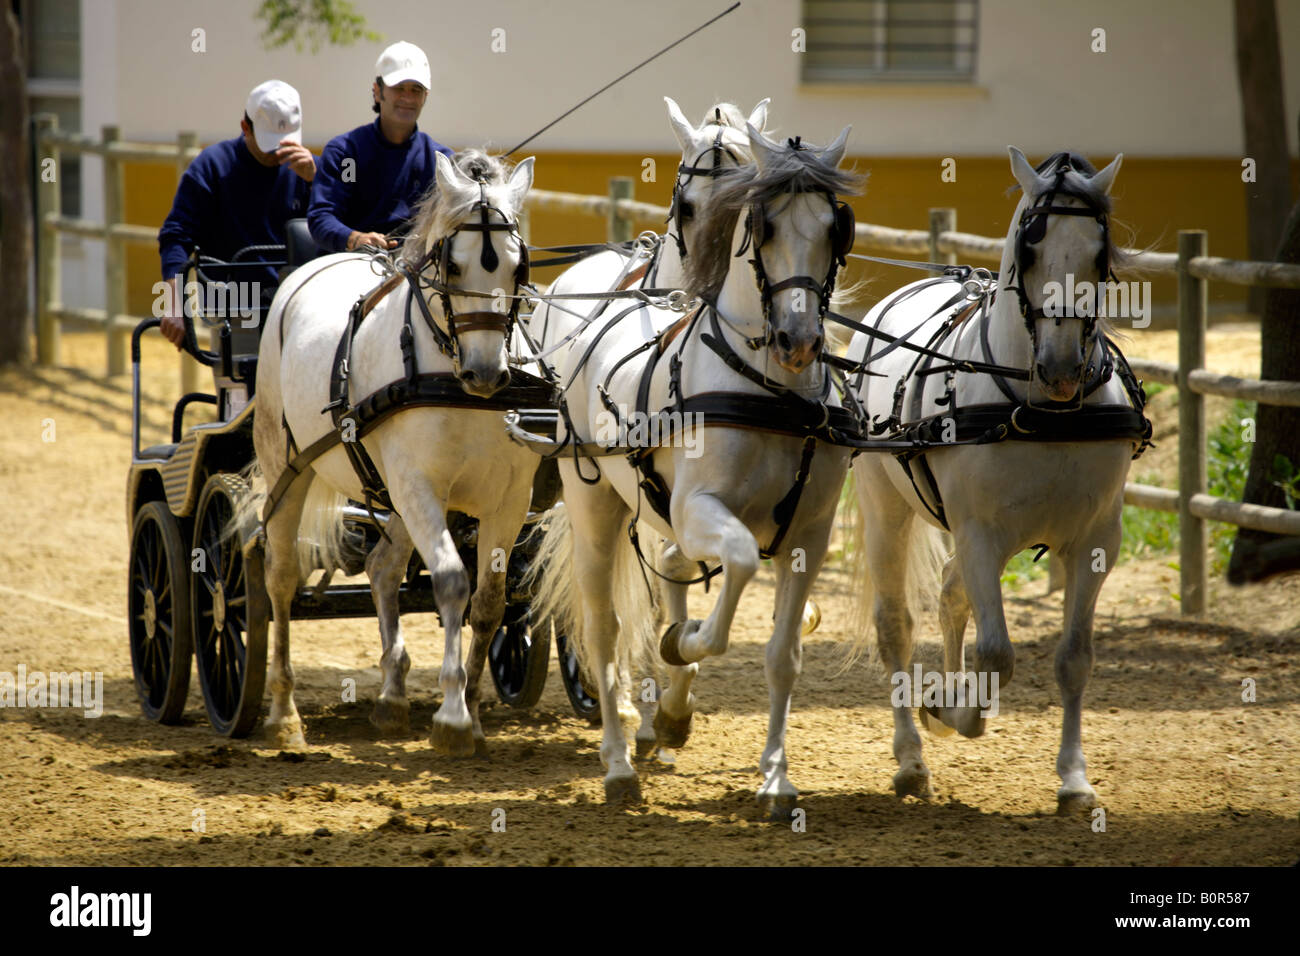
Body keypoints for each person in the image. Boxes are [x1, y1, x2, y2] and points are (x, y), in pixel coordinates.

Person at [157, 80, 318, 348]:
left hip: (299, 306)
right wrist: (174, 302)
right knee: (246, 379)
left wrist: (317, 183)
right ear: (245, 128)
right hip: (236, 306)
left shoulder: (311, 170)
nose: (278, 152)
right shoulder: (213, 166)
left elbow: (341, 226)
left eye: (285, 142)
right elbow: (176, 235)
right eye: (270, 145)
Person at [307, 41, 453, 253]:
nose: (407, 97)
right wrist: (355, 238)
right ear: (377, 91)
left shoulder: (441, 161)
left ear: (425, 97)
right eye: (399, 88)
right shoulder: (348, 155)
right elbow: (323, 216)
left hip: (419, 274)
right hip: (349, 267)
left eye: (416, 89)